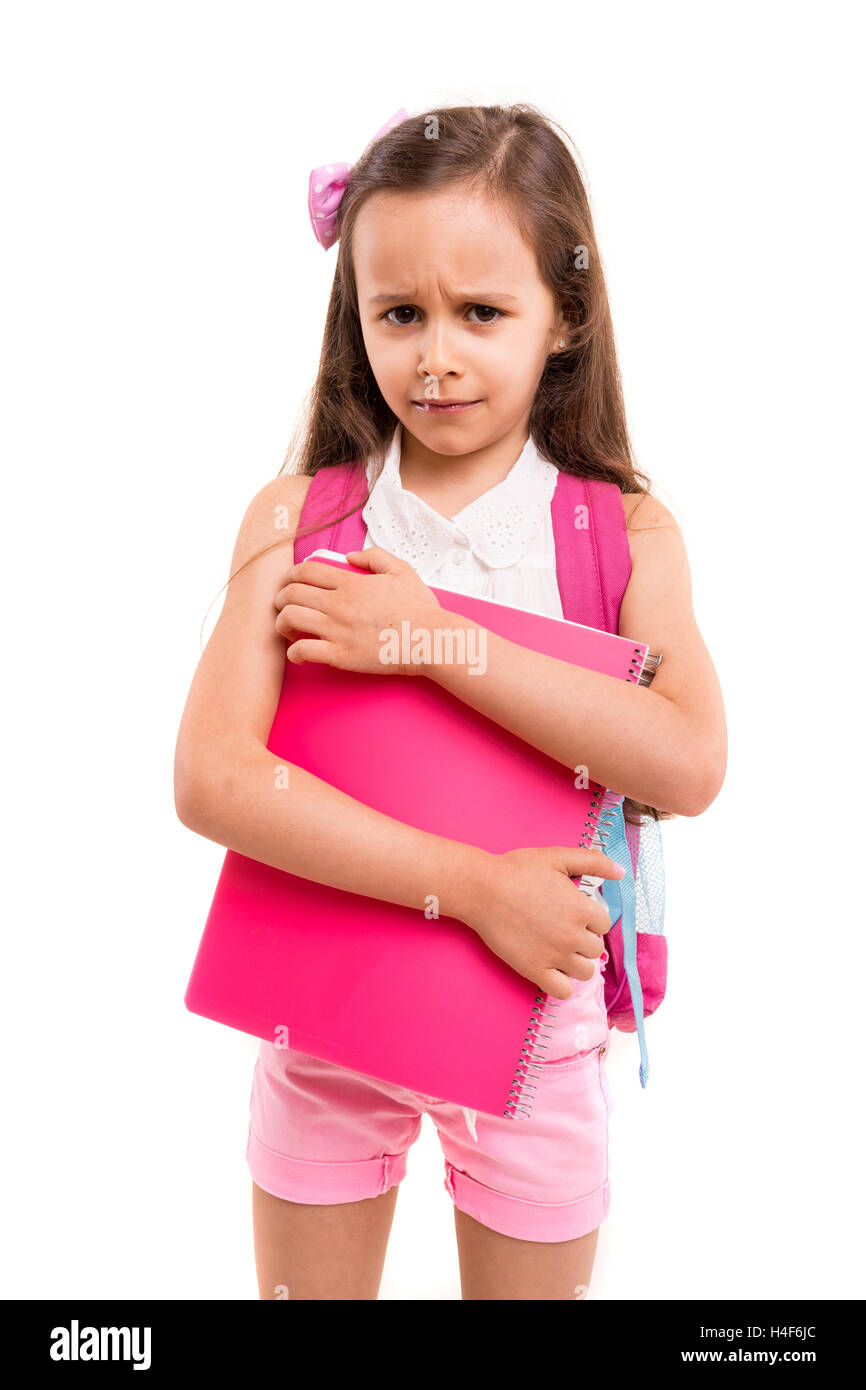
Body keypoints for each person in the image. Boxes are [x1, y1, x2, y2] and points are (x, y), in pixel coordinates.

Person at [173, 103, 727, 1301]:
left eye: (481, 313)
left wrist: (429, 638)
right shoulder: (298, 518)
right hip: (322, 1015)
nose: (435, 353)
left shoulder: (621, 534)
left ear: (561, 317)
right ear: (355, 315)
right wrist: (472, 887)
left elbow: (683, 764)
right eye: (398, 312)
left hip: (536, 1026)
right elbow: (211, 776)